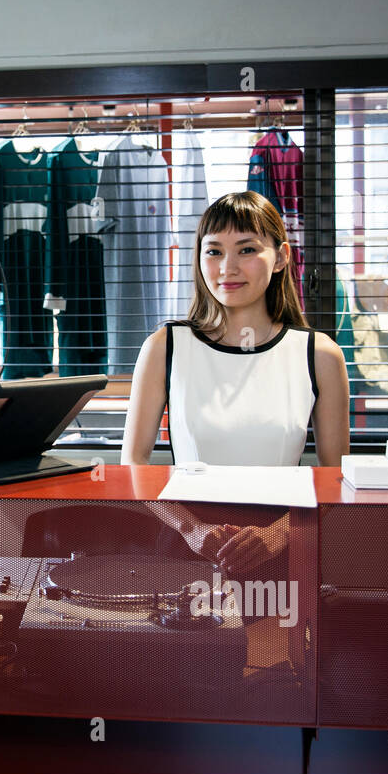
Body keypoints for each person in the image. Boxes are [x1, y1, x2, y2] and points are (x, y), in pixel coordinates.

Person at [121, 191, 349, 577]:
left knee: (278, 640)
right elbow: (134, 463)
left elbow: (336, 477)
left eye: (246, 250)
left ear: (280, 257)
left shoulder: (319, 354)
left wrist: (278, 535)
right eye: (213, 251)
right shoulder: (166, 347)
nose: (227, 267)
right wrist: (191, 529)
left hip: (281, 548)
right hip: (186, 548)